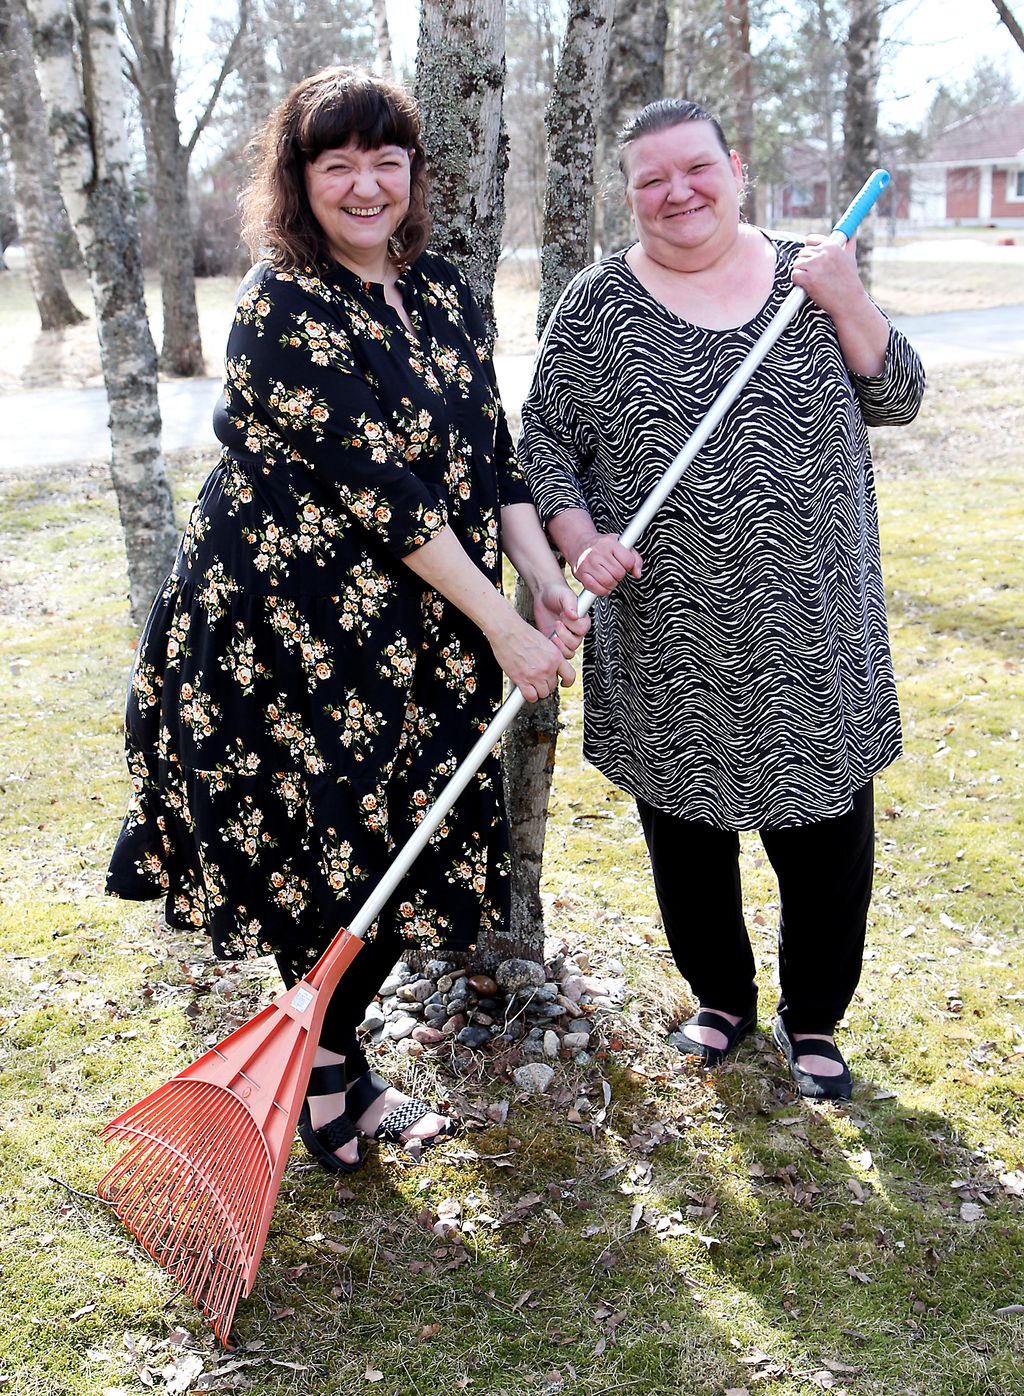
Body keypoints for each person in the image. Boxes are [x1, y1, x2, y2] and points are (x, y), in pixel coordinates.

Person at [106, 66, 587, 1170]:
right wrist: (504, 627)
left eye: (385, 159)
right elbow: (391, 499)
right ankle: (332, 1080)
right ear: (300, 179)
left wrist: (540, 576)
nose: (366, 184)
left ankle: (327, 1062)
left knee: (394, 851)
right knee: (321, 852)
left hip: (418, 631)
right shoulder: (280, 308)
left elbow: (488, 455)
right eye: (338, 164)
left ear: (413, 172)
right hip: (290, 632)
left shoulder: (448, 291)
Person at [519, 99, 924, 1101]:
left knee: (826, 838)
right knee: (688, 842)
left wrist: (848, 300)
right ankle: (721, 998)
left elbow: (899, 396)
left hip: (814, 626)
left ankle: (815, 1017)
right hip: (671, 634)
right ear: (629, 194)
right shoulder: (598, 306)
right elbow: (543, 446)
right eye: (651, 179)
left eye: (695, 168)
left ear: (734, 167)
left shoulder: (810, 273)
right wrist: (578, 539)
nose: (677, 192)